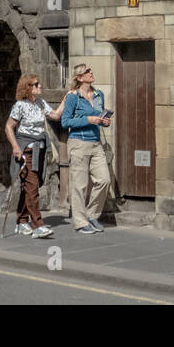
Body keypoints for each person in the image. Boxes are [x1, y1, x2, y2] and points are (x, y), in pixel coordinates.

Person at [5, 73, 63, 238]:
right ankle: (38, 225)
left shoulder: (41, 103)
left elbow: (56, 116)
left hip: (40, 150)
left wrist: (67, 98)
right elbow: (9, 127)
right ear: (28, 87)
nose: (40, 86)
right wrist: (16, 147)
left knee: (30, 187)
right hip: (26, 151)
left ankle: (22, 222)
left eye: (39, 84)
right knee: (31, 187)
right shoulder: (20, 106)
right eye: (36, 84)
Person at [60, 63, 111, 234]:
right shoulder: (73, 97)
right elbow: (65, 122)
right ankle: (81, 222)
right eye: (87, 71)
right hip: (78, 143)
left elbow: (99, 117)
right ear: (79, 78)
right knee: (80, 185)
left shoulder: (99, 95)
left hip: (96, 143)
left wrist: (104, 121)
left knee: (104, 180)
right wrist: (88, 120)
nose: (91, 72)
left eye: (91, 70)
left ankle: (92, 215)